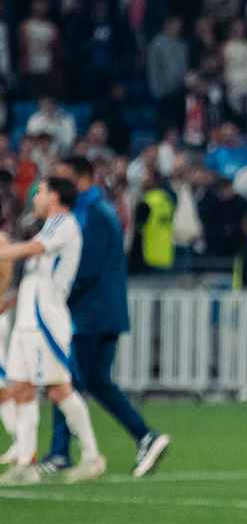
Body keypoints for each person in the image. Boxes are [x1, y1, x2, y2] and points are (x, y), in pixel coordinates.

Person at [44, 157, 171, 479]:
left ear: (80, 178)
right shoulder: (96, 211)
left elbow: (85, 269)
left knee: (68, 379)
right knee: (93, 380)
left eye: (64, 179)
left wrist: (53, 293)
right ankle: (144, 436)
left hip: (91, 313)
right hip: (100, 311)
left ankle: (61, 453)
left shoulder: (93, 215)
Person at [0, 178, 107, 482]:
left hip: (46, 322)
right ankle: (25, 463)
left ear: (57, 196)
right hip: (26, 321)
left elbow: (32, 249)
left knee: (59, 389)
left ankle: (91, 456)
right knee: (20, 387)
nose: (35, 196)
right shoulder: (47, 227)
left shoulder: (66, 225)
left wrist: (3, 250)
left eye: (41, 192)